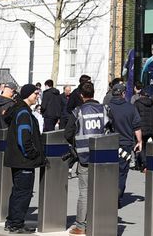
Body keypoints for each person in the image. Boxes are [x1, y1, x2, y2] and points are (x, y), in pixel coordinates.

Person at [64, 83, 106, 236]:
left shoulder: (78, 111)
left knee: (84, 192)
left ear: (81, 95)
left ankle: (81, 225)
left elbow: (68, 133)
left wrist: (75, 144)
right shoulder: (104, 110)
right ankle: (100, 222)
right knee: (100, 190)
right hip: (102, 156)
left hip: (84, 156)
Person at [2, 84, 44, 234]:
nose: (37, 96)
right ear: (27, 95)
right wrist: (32, 154)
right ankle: (16, 224)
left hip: (18, 159)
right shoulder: (24, 112)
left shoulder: (19, 110)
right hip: (24, 160)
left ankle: (12, 221)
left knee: (18, 191)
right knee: (23, 193)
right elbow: (24, 136)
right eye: (35, 94)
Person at [104, 78, 142, 202]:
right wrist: (139, 142)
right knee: (122, 172)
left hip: (109, 144)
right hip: (125, 144)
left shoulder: (106, 107)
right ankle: (118, 197)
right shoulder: (130, 108)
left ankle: (108, 196)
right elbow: (137, 127)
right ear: (123, 93)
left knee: (109, 172)